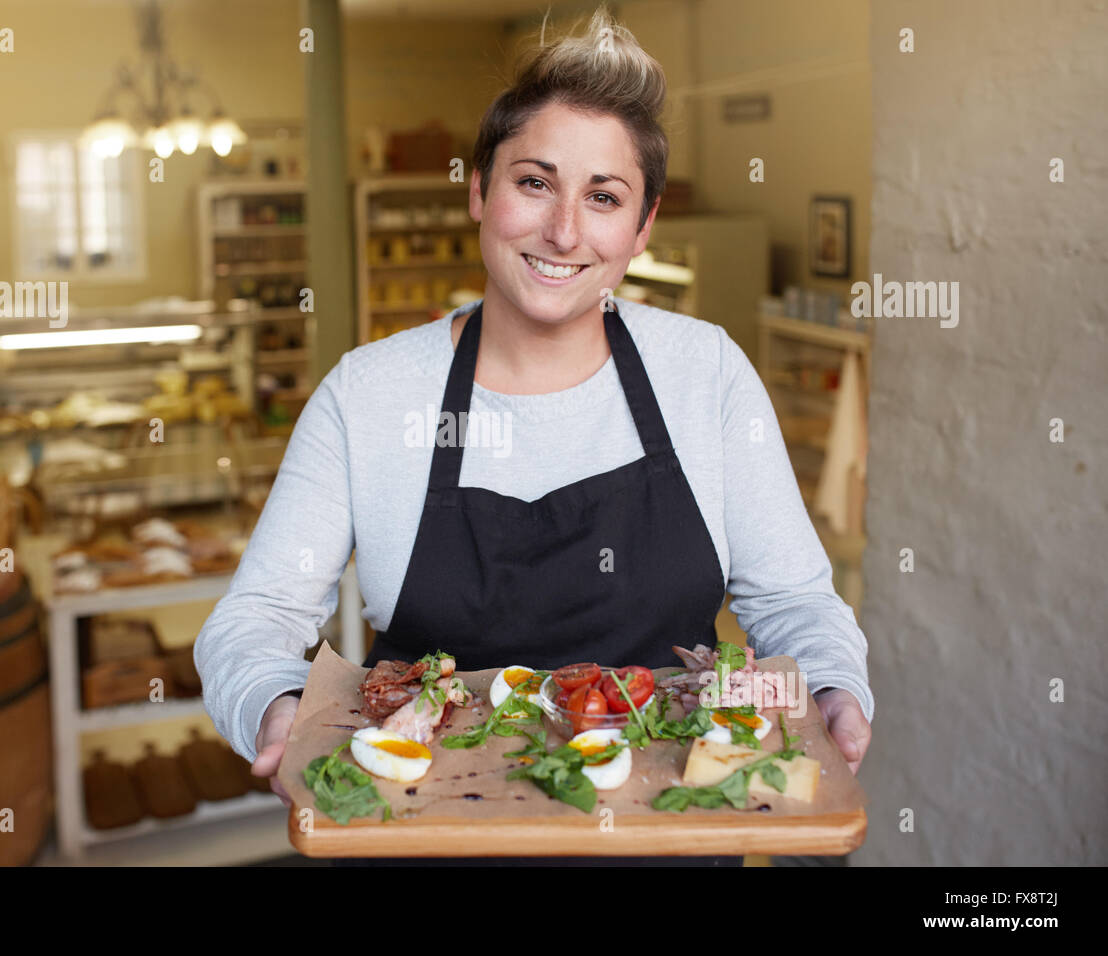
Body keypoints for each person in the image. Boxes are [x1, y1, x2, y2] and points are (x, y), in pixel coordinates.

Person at [196, 7, 873, 865]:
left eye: (603, 197)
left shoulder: (705, 374)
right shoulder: (368, 396)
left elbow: (795, 601)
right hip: (419, 836)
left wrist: (836, 686)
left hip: (672, 834)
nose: (564, 231)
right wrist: (274, 703)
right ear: (479, 190)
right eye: (533, 182)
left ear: (643, 225)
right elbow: (254, 617)